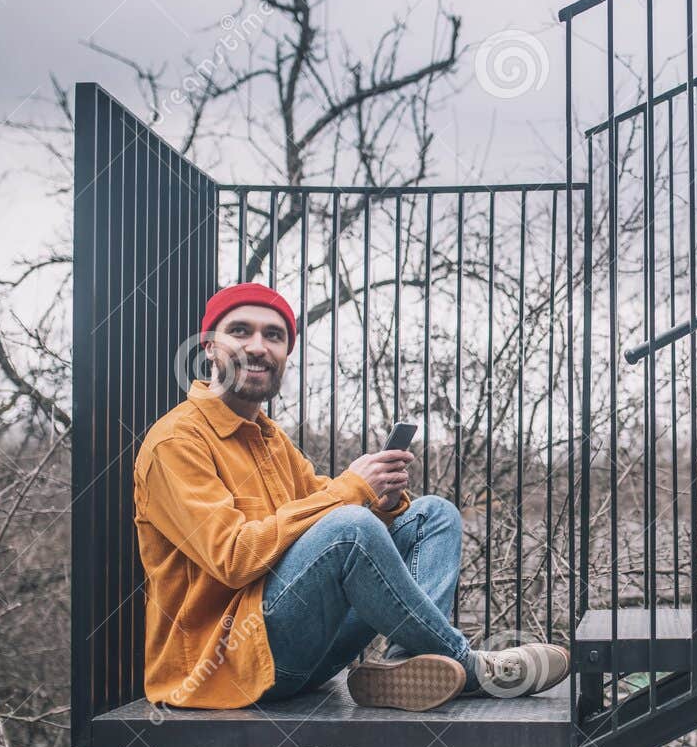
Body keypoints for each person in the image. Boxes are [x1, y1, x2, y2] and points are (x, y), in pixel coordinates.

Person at [133, 282, 569, 712]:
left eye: (274, 335)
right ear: (209, 347)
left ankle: (416, 666)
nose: (258, 346)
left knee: (432, 515)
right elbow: (233, 558)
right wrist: (351, 491)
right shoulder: (176, 441)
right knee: (350, 528)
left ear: (286, 353)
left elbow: (320, 514)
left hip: (307, 653)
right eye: (240, 331)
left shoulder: (268, 440)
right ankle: (469, 666)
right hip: (229, 669)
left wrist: (380, 501)